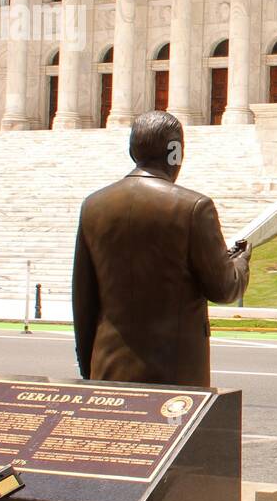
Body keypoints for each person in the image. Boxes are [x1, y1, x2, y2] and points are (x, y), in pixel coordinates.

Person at [72, 110, 252, 387]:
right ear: (175, 152)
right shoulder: (193, 208)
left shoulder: (94, 205)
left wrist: (90, 366)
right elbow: (224, 288)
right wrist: (241, 262)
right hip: (174, 372)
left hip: (107, 367)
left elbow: (83, 299)